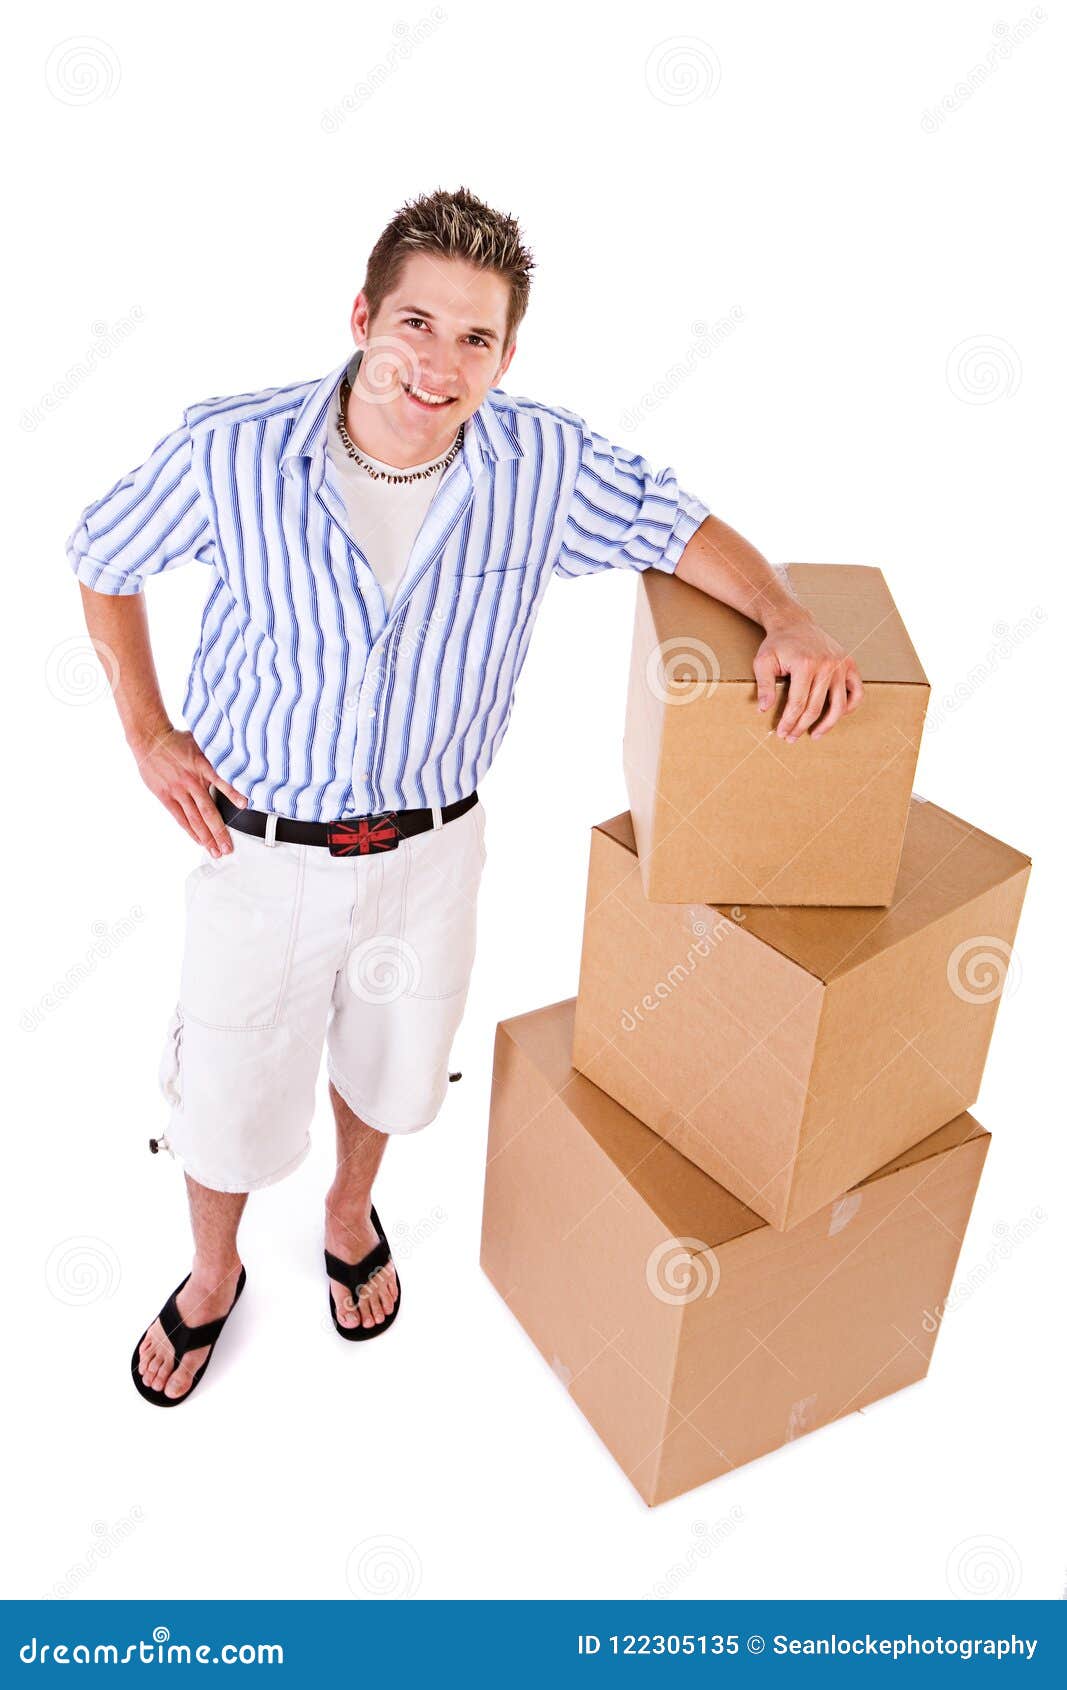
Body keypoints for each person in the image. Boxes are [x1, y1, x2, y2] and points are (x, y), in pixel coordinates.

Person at [67, 185, 862, 1405]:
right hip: (258, 851)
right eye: (417, 323)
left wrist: (786, 614)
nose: (439, 364)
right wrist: (146, 732)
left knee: (394, 1068)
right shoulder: (231, 451)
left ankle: (346, 1216)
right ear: (362, 318)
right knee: (225, 1097)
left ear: (506, 355)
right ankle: (215, 1270)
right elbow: (101, 554)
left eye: (475, 337)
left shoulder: (539, 464)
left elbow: (673, 523)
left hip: (432, 854)